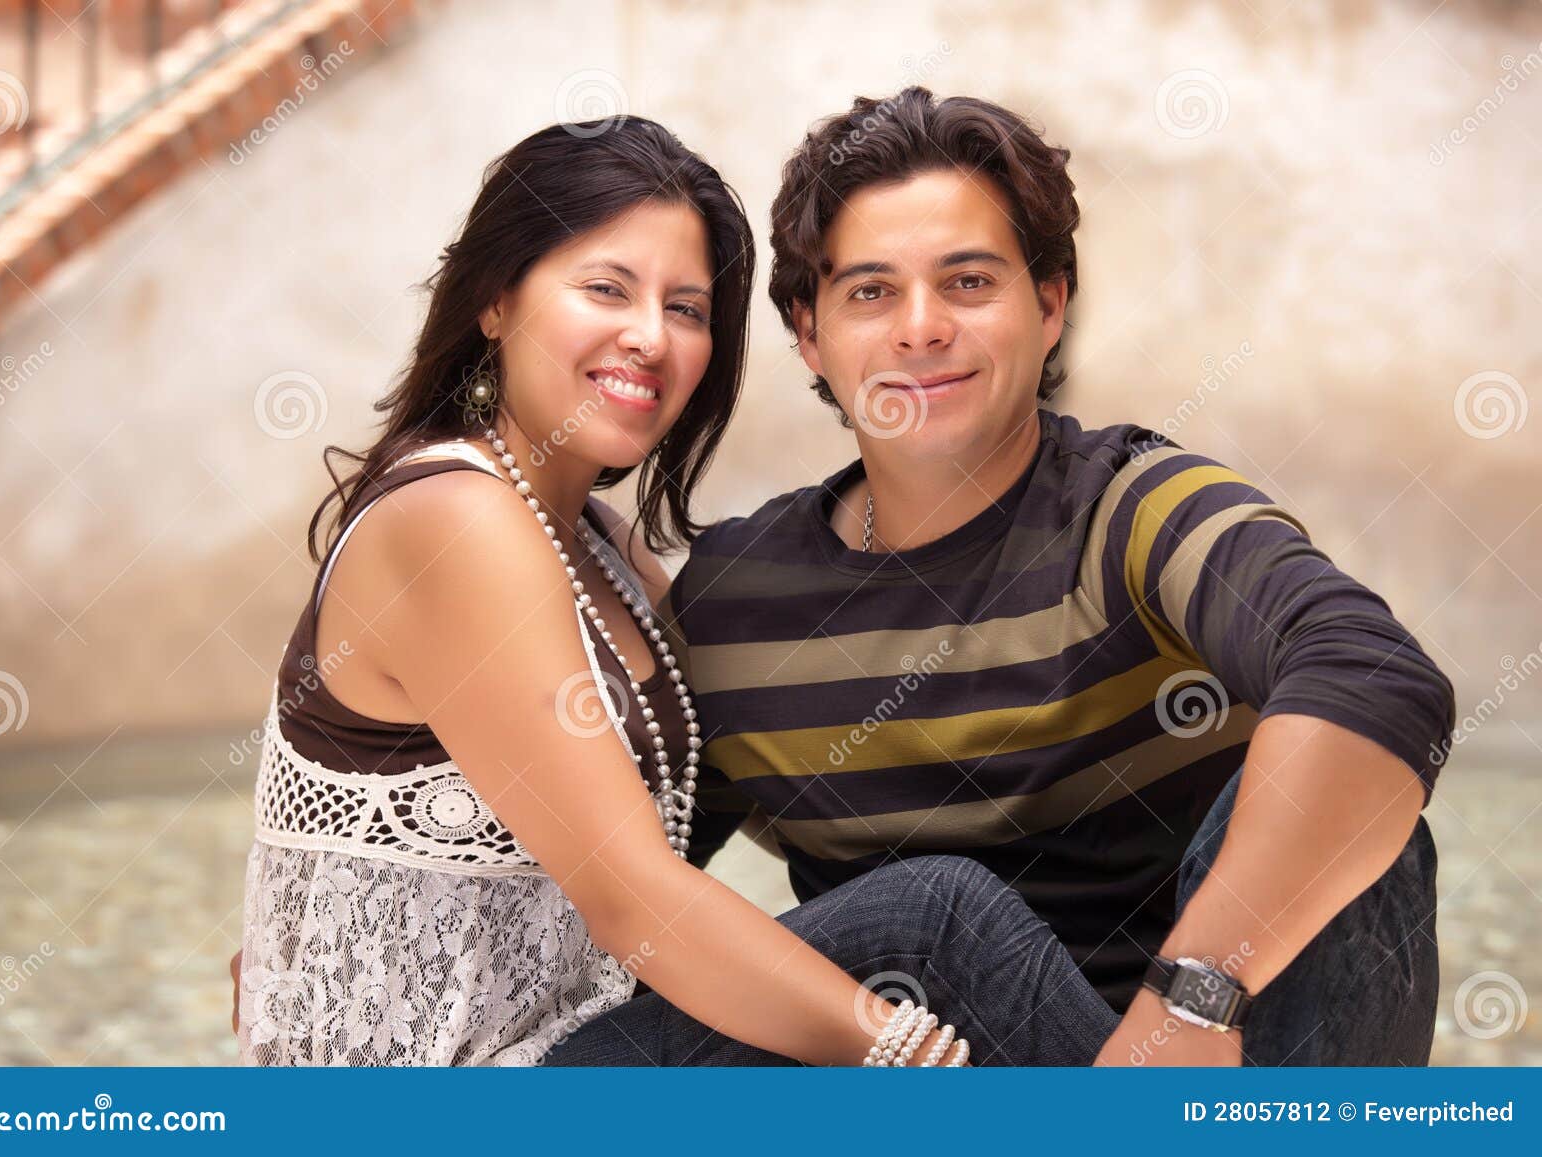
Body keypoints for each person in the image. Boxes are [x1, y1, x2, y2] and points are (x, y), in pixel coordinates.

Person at [541, 88, 1455, 1067]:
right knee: (923, 920)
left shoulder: (1135, 507)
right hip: (953, 1081)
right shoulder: (735, 605)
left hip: (1218, 1075)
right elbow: (636, 894)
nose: (921, 328)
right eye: (870, 291)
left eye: (968, 282)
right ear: (808, 332)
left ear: (1048, 304)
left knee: (1359, 794)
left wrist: (1191, 1000)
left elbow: (1374, 673)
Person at [233, 114, 1016, 1067]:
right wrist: (918, 1064)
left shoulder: (604, 550)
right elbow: (634, 897)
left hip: (574, 1051)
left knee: (949, 912)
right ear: (494, 299)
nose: (649, 337)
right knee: (931, 925)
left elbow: (723, 804)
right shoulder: (454, 520)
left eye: (686, 309)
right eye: (607, 288)